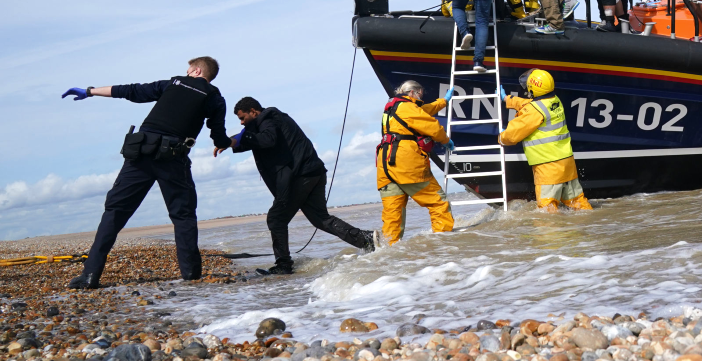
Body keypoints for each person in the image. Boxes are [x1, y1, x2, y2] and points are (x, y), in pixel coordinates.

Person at [60, 57, 231, 289]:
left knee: (115, 213)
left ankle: (90, 276)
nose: (185, 72)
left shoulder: (173, 83)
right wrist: (228, 142)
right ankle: (191, 275)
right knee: (183, 216)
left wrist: (90, 91)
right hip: (173, 158)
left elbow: (131, 91)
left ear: (196, 70)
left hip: (140, 154)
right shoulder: (215, 98)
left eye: (188, 69)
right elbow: (218, 134)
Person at [216, 97, 375, 275]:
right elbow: (255, 138)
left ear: (254, 112)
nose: (241, 122)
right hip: (314, 173)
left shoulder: (268, 120)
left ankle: (283, 265)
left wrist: (235, 140)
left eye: (242, 117)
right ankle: (367, 240)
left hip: (300, 176)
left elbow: (267, 139)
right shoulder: (273, 119)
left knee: (276, 219)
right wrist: (230, 142)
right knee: (320, 219)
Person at [498, 69, 592, 212]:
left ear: (533, 88)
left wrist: (500, 138)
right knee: (578, 204)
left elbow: (513, 135)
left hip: (548, 168)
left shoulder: (534, 111)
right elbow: (530, 105)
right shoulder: (555, 101)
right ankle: (589, 229)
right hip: (567, 165)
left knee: (547, 211)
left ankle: (550, 235)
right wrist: (508, 99)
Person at [377, 80, 455, 244]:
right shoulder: (407, 107)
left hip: (385, 166)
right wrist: (445, 140)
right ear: (412, 92)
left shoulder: (393, 108)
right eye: (420, 93)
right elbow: (432, 126)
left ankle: (387, 254)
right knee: (438, 203)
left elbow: (424, 111)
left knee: (393, 214)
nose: (422, 96)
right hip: (405, 163)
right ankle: (445, 246)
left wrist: (443, 102)